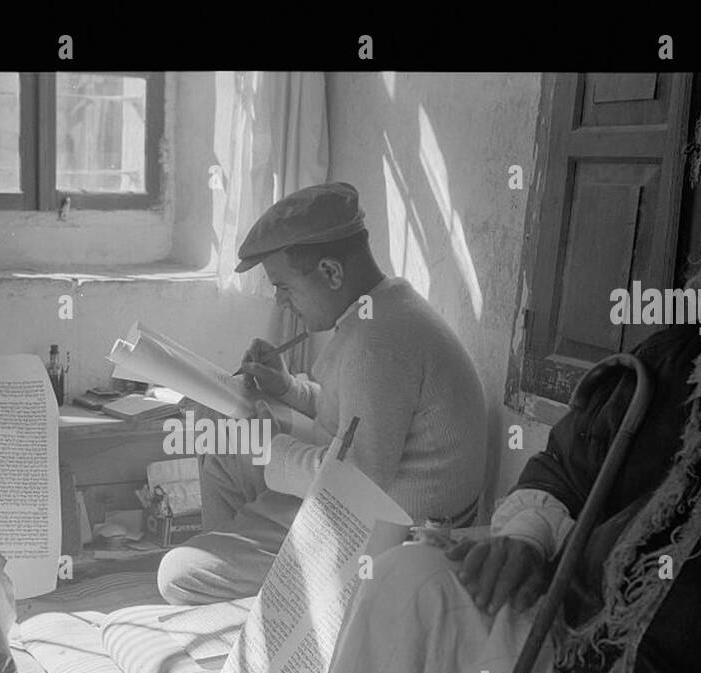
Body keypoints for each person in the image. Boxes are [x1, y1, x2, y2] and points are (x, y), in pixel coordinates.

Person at [283, 186, 701, 673]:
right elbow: (565, 463)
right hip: (568, 635)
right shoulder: (678, 358)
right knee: (412, 578)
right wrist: (525, 540)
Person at [158, 182, 488, 605]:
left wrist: (266, 448)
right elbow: (354, 417)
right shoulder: (383, 307)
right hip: (364, 495)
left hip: (385, 529)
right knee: (221, 438)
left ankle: (256, 594)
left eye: (285, 287)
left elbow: (354, 481)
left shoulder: (378, 344)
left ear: (331, 272)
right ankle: (251, 565)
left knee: (179, 574)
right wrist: (288, 389)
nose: (280, 302)